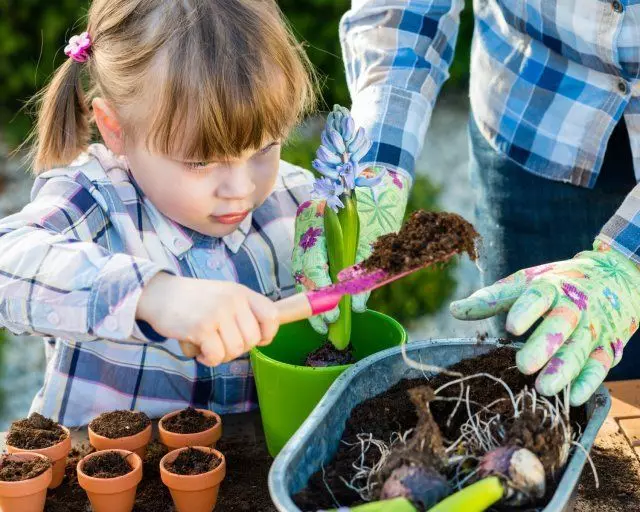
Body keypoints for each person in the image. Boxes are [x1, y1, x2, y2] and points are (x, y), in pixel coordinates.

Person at [294, 1, 640, 406]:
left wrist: (629, 260)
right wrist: (373, 165)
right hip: (535, 110)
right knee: (528, 376)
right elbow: (407, 10)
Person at [0, 0, 321, 427]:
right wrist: (154, 296)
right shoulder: (96, 198)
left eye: (264, 149)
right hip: (103, 478)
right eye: (200, 162)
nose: (241, 189)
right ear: (116, 130)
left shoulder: (297, 202)